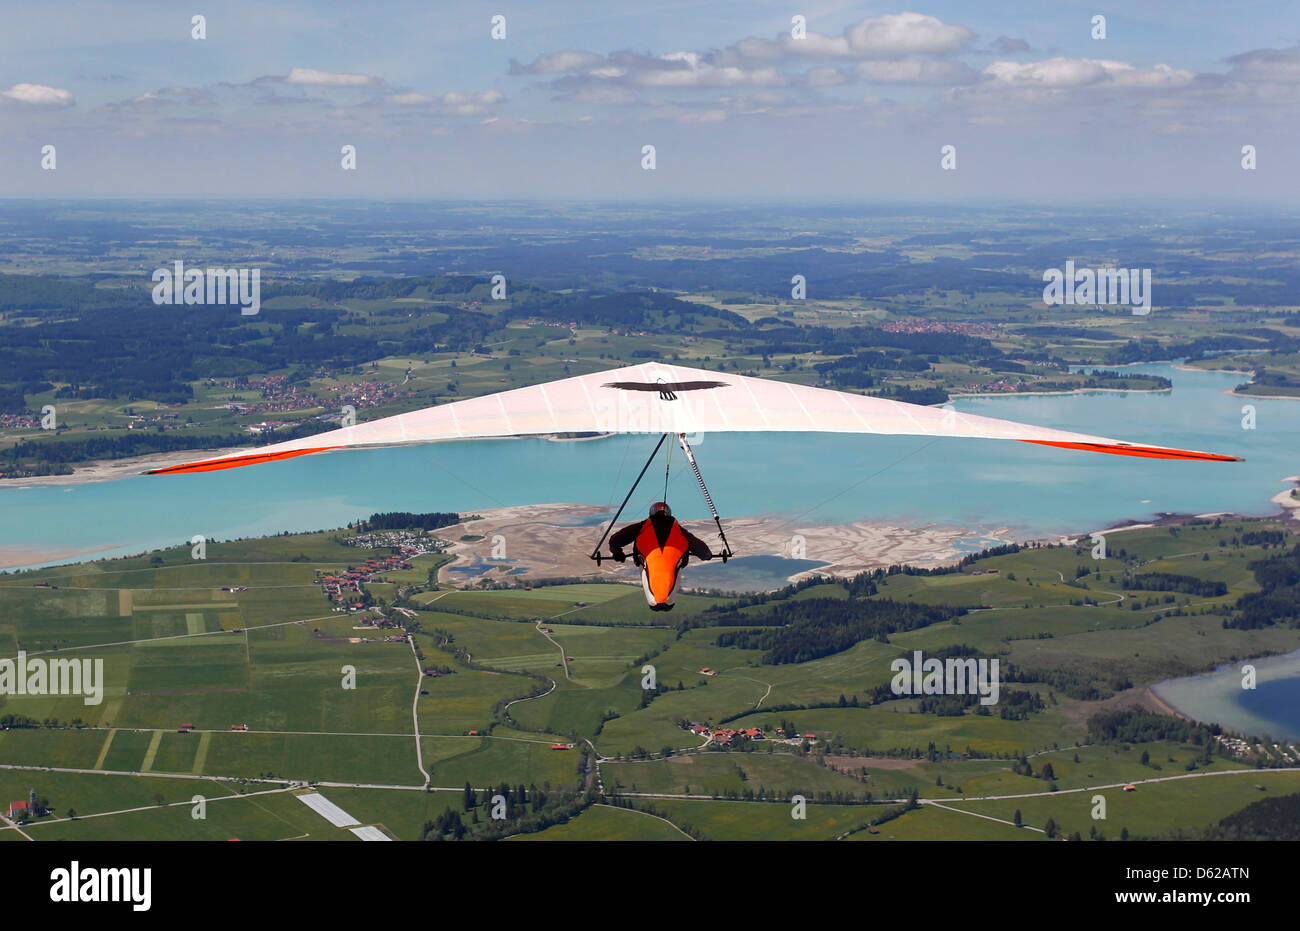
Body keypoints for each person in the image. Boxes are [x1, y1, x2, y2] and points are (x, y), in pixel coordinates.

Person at [609, 501, 714, 611]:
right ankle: (664, 598)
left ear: (651, 514)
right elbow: (704, 551)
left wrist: (617, 553)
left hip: (652, 587)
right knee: (671, 572)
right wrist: (707, 556)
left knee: (651, 575)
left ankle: (658, 598)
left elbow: (615, 541)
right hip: (670, 593)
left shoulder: (642, 527)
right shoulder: (679, 531)